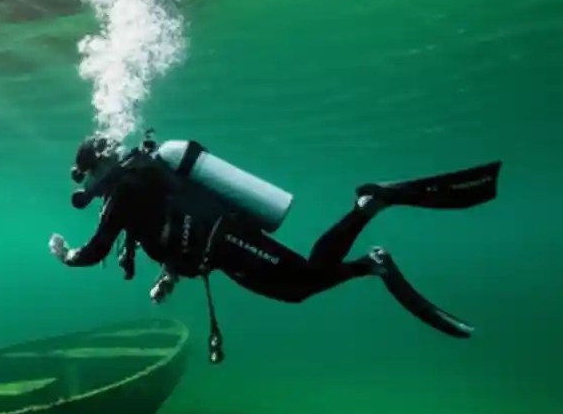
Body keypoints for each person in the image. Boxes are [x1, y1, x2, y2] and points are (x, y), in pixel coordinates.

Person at [49, 134, 502, 363]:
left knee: (306, 276)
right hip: (220, 252)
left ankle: (369, 206)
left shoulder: (126, 187)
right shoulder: (137, 178)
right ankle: (370, 264)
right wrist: (169, 274)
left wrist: (65, 255)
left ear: (99, 163)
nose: (89, 186)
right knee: (294, 291)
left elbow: (96, 249)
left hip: (228, 241)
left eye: (87, 175)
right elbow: (168, 222)